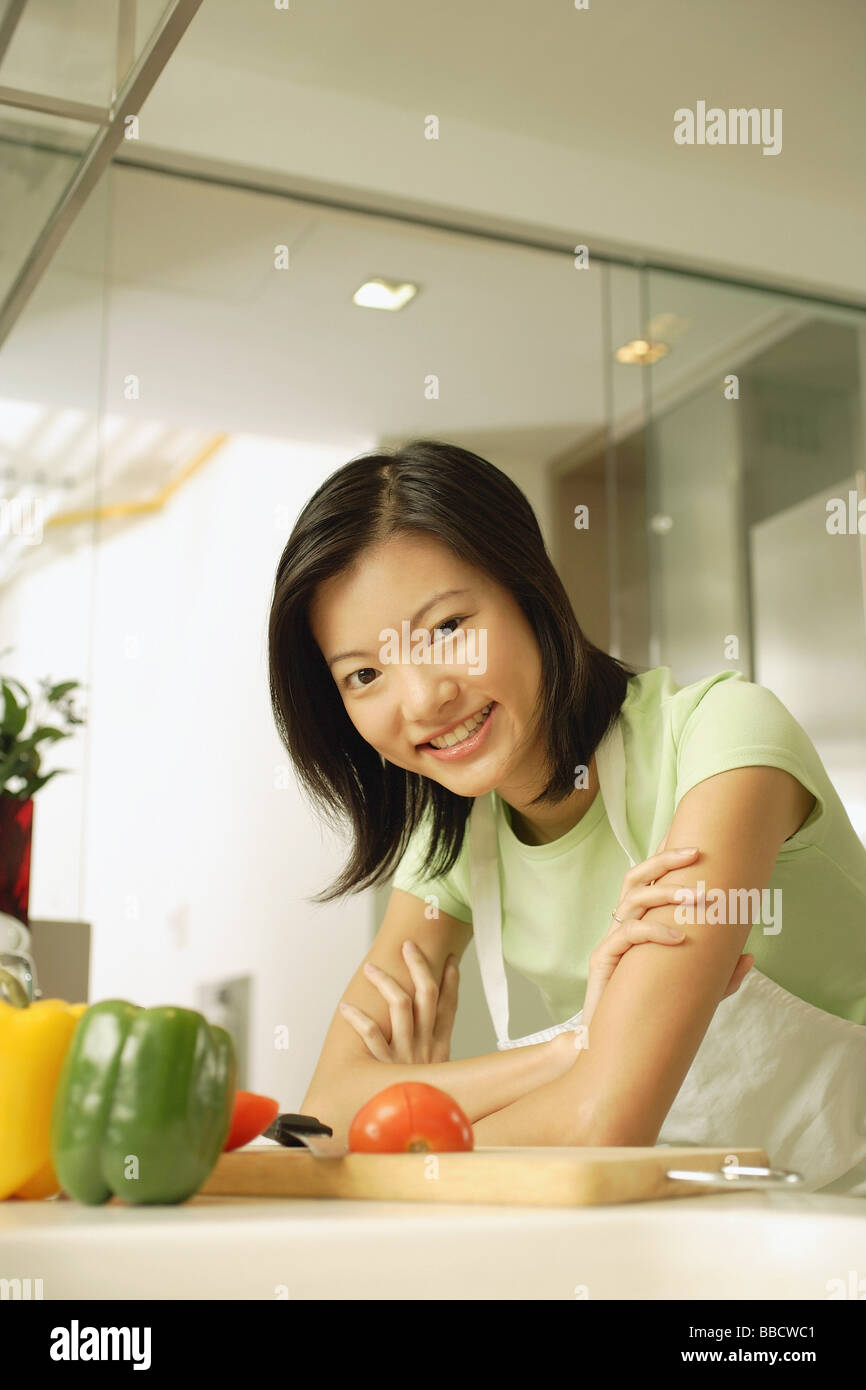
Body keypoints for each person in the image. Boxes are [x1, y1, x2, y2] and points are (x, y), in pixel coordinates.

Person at [268, 439, 866, 1192]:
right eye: (364, 674)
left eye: (448, 629)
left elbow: (601, 1123)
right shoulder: (452, 838)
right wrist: (573, 1048)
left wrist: (415, 1120)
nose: (421, 699)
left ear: (530, 588)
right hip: (676, 1220)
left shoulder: (726, 742)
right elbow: (326, 1117)